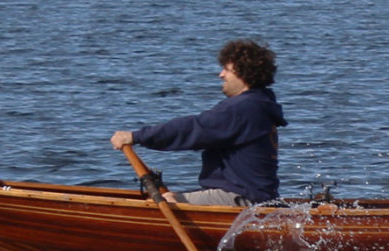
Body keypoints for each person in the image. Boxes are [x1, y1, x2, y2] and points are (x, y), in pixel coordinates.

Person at [110, 39, 285, 206]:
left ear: (244, 72)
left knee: (168, 204)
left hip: (242, 198)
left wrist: (136, 136)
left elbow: (193, 129)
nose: (221, 74)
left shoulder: (242, 108)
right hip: (255, 196)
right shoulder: (258, 105)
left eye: (226, 69)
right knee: (170, 197)